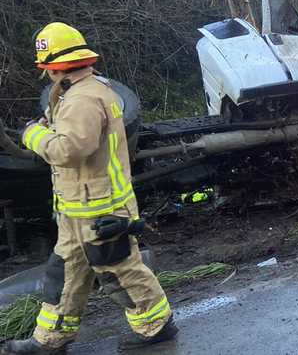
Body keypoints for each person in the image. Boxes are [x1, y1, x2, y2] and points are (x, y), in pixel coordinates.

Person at [1, 23, 177, 354]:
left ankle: (157, 326)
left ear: (52, 65)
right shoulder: (82, 91)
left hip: (100, 208)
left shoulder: (83, 98)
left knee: (120, 272)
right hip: (77, 208)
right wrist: (48, 127)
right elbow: (73, 136)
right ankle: (50, 339)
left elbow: (68, 150)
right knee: (64, 274)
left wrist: (32, 135)